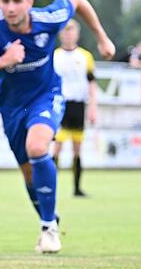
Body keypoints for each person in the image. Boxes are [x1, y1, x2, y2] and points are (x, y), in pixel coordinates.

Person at [0, 0, 115, 253]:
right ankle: (48, 217)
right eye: (5, 1)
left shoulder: (49, 18)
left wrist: (102, 36)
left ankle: (48, 228)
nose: (11, 8)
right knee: (28, 176)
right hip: (11, 106)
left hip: (46, 96)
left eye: (17, 1)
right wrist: (4, 60)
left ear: (30, 2)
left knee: (37, 147)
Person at [52, 19, 98, 197]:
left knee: (77, 148)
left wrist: (93, 107)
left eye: (71, 30)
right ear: (60, 34)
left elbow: (92, 83)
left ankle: (77, 188)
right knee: (57, 147)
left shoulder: (85, 56)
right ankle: (50, 187)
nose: (68, 34)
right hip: (61, 105)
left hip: (79, 106)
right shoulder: (55, 56)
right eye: (65, 31)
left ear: (77, 34)